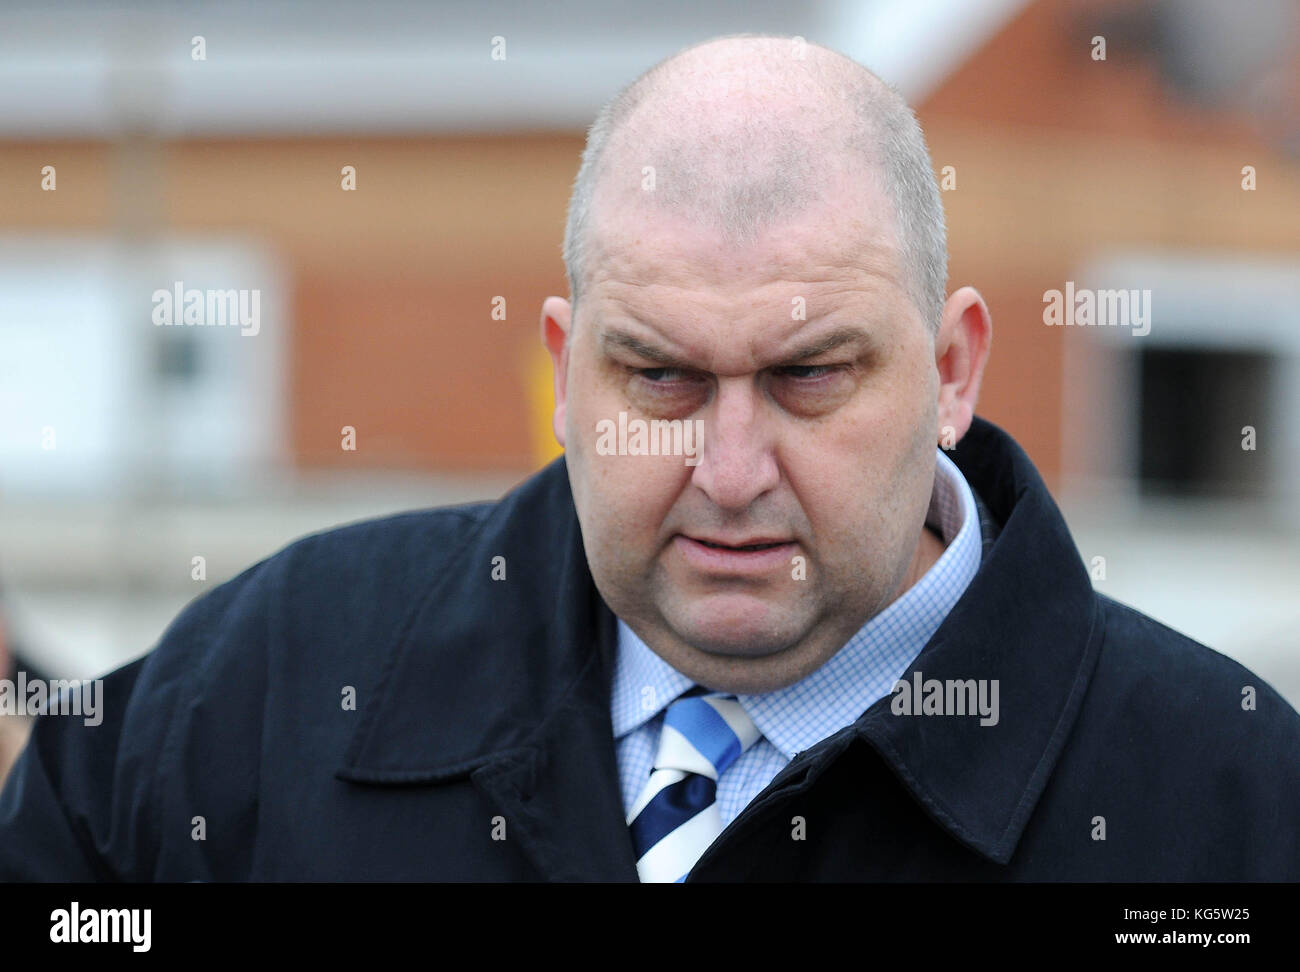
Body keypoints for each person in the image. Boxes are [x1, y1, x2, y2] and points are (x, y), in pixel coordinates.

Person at [1, 33, 1296, 882]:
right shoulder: (278, 681)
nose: (729, 471)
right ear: (565, 371)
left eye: (809, 377)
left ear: (953, 372)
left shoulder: (1224, 810)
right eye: (659, 377)